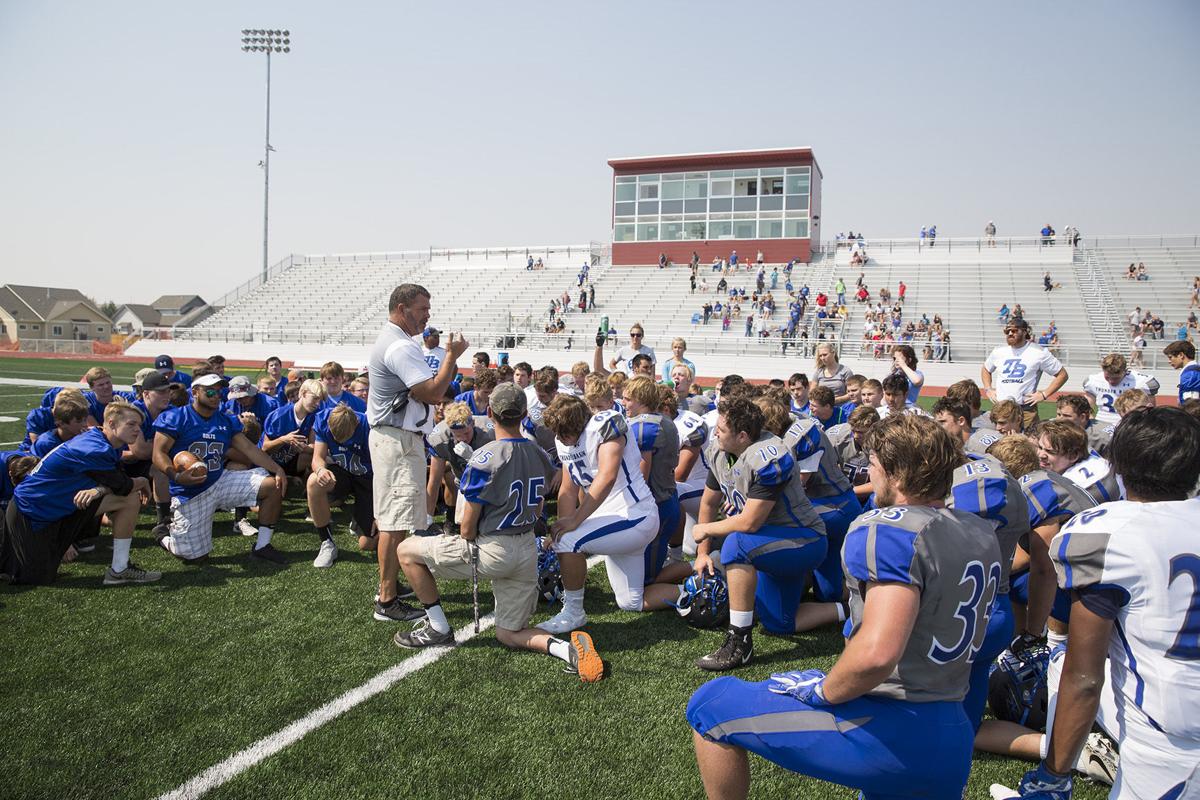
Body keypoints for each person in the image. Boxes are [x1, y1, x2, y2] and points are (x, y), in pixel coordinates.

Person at [688, 414, 1001, 800]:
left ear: (898, 476)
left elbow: (877, 655)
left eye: (875, 465)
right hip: (953, 726)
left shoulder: (886, 527)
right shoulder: (978, 529)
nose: (869, 471)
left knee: (710, 704)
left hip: (892, 725)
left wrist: (824, 691)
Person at [1014, 407, 1200, 800]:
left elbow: (1085, 678)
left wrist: (1054, 772)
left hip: (1170, 737)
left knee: (1065, 661)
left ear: (1116, 464)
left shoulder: (1106, 530)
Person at [388, 384, 605, 679]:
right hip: (527, 550)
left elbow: (466, 526)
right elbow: (540, 506)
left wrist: (465, 538)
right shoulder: (540, 453)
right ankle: (565, 650)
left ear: (490, 414)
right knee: (508, 633)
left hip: (493, 549)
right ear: (525, 414)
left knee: (406, 551)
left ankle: (437, 627)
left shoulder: (484, 457)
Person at [691, 396, 827, 670]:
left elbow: (750, 523)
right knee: (779, 623)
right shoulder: (721, 451)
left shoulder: (768, 456)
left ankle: (739, 642)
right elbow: (709, 501)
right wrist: (702, 552)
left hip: (804, 539)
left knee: (735, 545)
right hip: (769, 542)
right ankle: (848, 611)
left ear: (742, 436)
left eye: (721, 429)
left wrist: (704, 529)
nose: (715, 432)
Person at [367, 284, 469, 624]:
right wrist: (452, 356)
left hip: (398, 438)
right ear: (402, 308)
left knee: (397, 521)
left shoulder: (399, 342)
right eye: (422, 308)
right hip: (397, 441)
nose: (427, 315)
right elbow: (433, 392)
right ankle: (386, 599)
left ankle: (390, 586)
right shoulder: (399, 346)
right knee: (394, 525)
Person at [537, 394, 659, 633]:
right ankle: (689, 588)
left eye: (565, 431)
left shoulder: (604, 425)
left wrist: (574, 521)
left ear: (580, 422)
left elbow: (607, 476)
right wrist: (561, 524)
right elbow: (568, 488)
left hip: (634, 516)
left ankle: (573, 612)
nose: (561, 438)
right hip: (612, 522)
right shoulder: (563, 441)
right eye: (558, 433)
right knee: (630, 602)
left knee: (569, 541)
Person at [5, 402, 159, 586]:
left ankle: (120, 568)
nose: (137, 430)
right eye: (131, 424)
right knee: (33, 579)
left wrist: (98, 490)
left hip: (60, 506)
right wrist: (141, 481)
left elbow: (116, 481)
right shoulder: (94, 448)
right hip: (30, 511)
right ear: (111, 423)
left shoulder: (106, 440)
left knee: (129, 498)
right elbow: (122, 484)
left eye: (139, 425)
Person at [152, 373, 289, 564]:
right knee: (195, 557)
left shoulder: (225, 420)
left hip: (219, 481)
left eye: (219, 392)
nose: (216, 396)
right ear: (195, 392)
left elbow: (249, 449)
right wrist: (176, 475)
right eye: (210, 391)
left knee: (272, 485)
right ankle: (163, 536)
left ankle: (262, 546)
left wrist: (277, 469)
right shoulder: (176, 417)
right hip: (191, 492)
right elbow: (158, 453)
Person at [307, 404, 376, 568]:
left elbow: (387, 471)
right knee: (313, 481)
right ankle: (327, 542)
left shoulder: (371, 425)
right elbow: (317, 458)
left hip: (370, 480)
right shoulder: (323, 420)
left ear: (356, 425)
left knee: (367, 545)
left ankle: (358, 519)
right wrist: (321, 469)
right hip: (343, 473)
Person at [982, 318, 1069, 429]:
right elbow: (985, 369)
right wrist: (988, 389)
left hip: (1025, 410)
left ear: (1024, 331)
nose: (1010, 333)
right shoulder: (999, 351)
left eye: (1014, 330)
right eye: (1007, 331)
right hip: (1001, 408)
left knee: (1028, 442)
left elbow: (1062, 375)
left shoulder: (1039, 352)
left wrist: (1044, 394)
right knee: (1000, 443)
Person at [1081, 352, 1160, 425]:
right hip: (1102, 422)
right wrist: (1091, 421)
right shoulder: (1094, 380)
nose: (1111, 381)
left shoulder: (1140, 381)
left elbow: (1150, 411)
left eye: (1116, 378)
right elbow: (1088, 408)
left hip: (1129, 424)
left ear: (1125, 371)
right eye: (1107, 377)